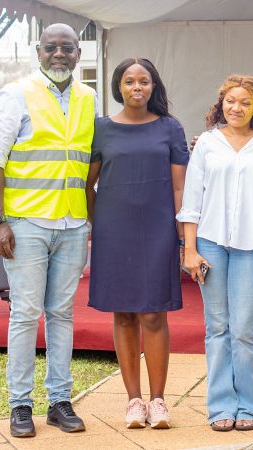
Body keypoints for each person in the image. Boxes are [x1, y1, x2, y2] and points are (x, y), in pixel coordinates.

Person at [0, 23, 97, 438]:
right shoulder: (17, 93)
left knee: (63, 313)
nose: (60, 54)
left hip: (71, 223)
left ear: (79, 54)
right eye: (52, 48)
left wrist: (90, 220)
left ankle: (60, 402)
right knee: (26, 314)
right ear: (39, 51)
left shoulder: (89, 97)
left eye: (67, 48)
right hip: (26, 224)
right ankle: (20, 405)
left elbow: (87, 163)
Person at [177, 74, 253, 433]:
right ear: (220, 103)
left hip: (252, 247)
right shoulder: (207, 143)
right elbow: (191, 201)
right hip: (210, 245)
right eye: (230, 101)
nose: (236, 108)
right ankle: (221, 404)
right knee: (217, 327)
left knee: (243, 329)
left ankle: (250, 407)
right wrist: (189, 251)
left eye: (245, 102)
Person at [86, 57, 188, 430]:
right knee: (124, 313)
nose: (136, 88)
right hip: (115, 231)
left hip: (159, 229)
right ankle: (133, 401)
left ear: (153, 86)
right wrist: (100, 224)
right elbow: (88, 185)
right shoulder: (101, 129)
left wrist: (180, 236)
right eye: (129, 82)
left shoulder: (170, 128)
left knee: (153, 313)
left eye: (143, 81)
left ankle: (158, 401)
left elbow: (180, 187)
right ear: (119, 87)